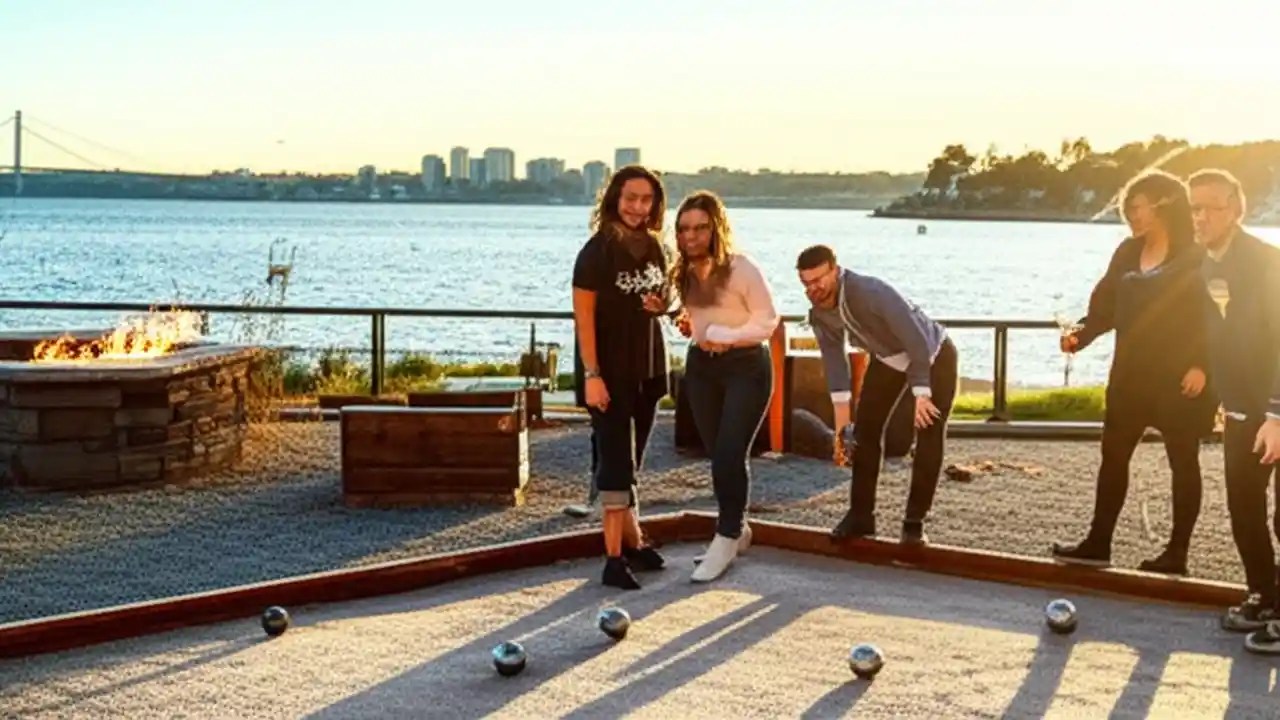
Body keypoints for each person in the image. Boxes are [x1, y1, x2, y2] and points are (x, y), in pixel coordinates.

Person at [1051, 170, 1216, 576]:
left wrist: (1203, 366)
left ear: (1162, 206)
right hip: (1129, 376)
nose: (1131, 216)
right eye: (1128, 209)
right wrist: (1081, 336)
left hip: (1181, 380)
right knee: (1113, 457)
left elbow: (1216, 316)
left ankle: (1177, 554)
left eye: (1137, 207)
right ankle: (1098, 542)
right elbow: (1105, 305)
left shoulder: (1197, 256)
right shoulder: (1127, 252)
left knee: (1183, 462)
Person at [796, 244, 958, 545]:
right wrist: (841, 427)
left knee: (929, 432)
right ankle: (861, 516)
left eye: (819, 280)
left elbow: (918, 341)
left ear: (835, 269)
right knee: (865, 431)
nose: (813, 289)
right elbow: (835, 364)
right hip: (889, 359)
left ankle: (914, 523)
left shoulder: (871, 292)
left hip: (933, 355)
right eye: (806, 284)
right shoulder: (820, 314)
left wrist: (921, 391)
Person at [1185, 169, 1280, 649]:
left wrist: (1276, 415)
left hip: (1277, 413)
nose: (1200, 217)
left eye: (1211, 207)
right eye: (1194, 208)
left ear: (1237, 210)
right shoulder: (1206, 265)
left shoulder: (1268, 263)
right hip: (1242, 411)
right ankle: (1264, 596)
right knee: (1244, 509)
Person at [668, 190, 779, 582]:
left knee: (731, 451)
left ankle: (726, 535)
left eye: (700, 227)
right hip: (701, 368)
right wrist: (692, 326)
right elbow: (694, 317)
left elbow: (768, 321)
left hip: (746, 367)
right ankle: (740, 526)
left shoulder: (741, 268)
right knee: (718, 454)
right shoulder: (681, 272)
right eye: (683, 229)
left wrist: (721, 333)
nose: (691, 236)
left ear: (716, 228)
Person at [571, 164, 672, 590]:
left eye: (646, 199)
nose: (638, 207)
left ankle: (633, 542)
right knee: (615, 462)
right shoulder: (595, 253)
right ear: (614, 198)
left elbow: (664, 297)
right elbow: (584, 319)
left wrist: (664, 306)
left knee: (633, 462)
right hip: (608, 373)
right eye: (630, 198)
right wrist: (593, 375)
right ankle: (613, 559)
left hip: (647, 371)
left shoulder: (655, 247)